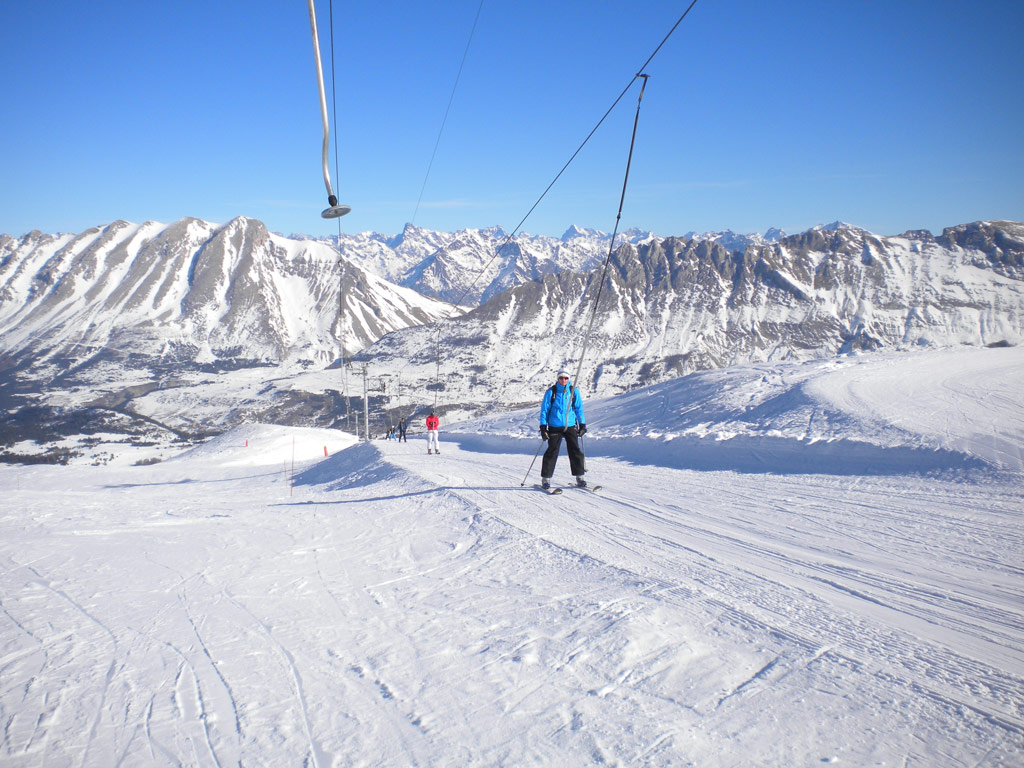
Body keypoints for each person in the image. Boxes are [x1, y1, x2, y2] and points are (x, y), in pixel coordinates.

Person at [539, 370, 588, 489]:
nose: (563, 380)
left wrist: (582, 424)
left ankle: (580, 477)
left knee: (575, 450)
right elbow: (544, 410)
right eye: (561, 378)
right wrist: (543, 427)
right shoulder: (552, 392)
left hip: (570, 425)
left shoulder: (573, 391)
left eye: (566, 378)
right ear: (558, 379)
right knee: (552, 451)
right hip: (555, 426)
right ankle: (546, 479)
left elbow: (578, 409)